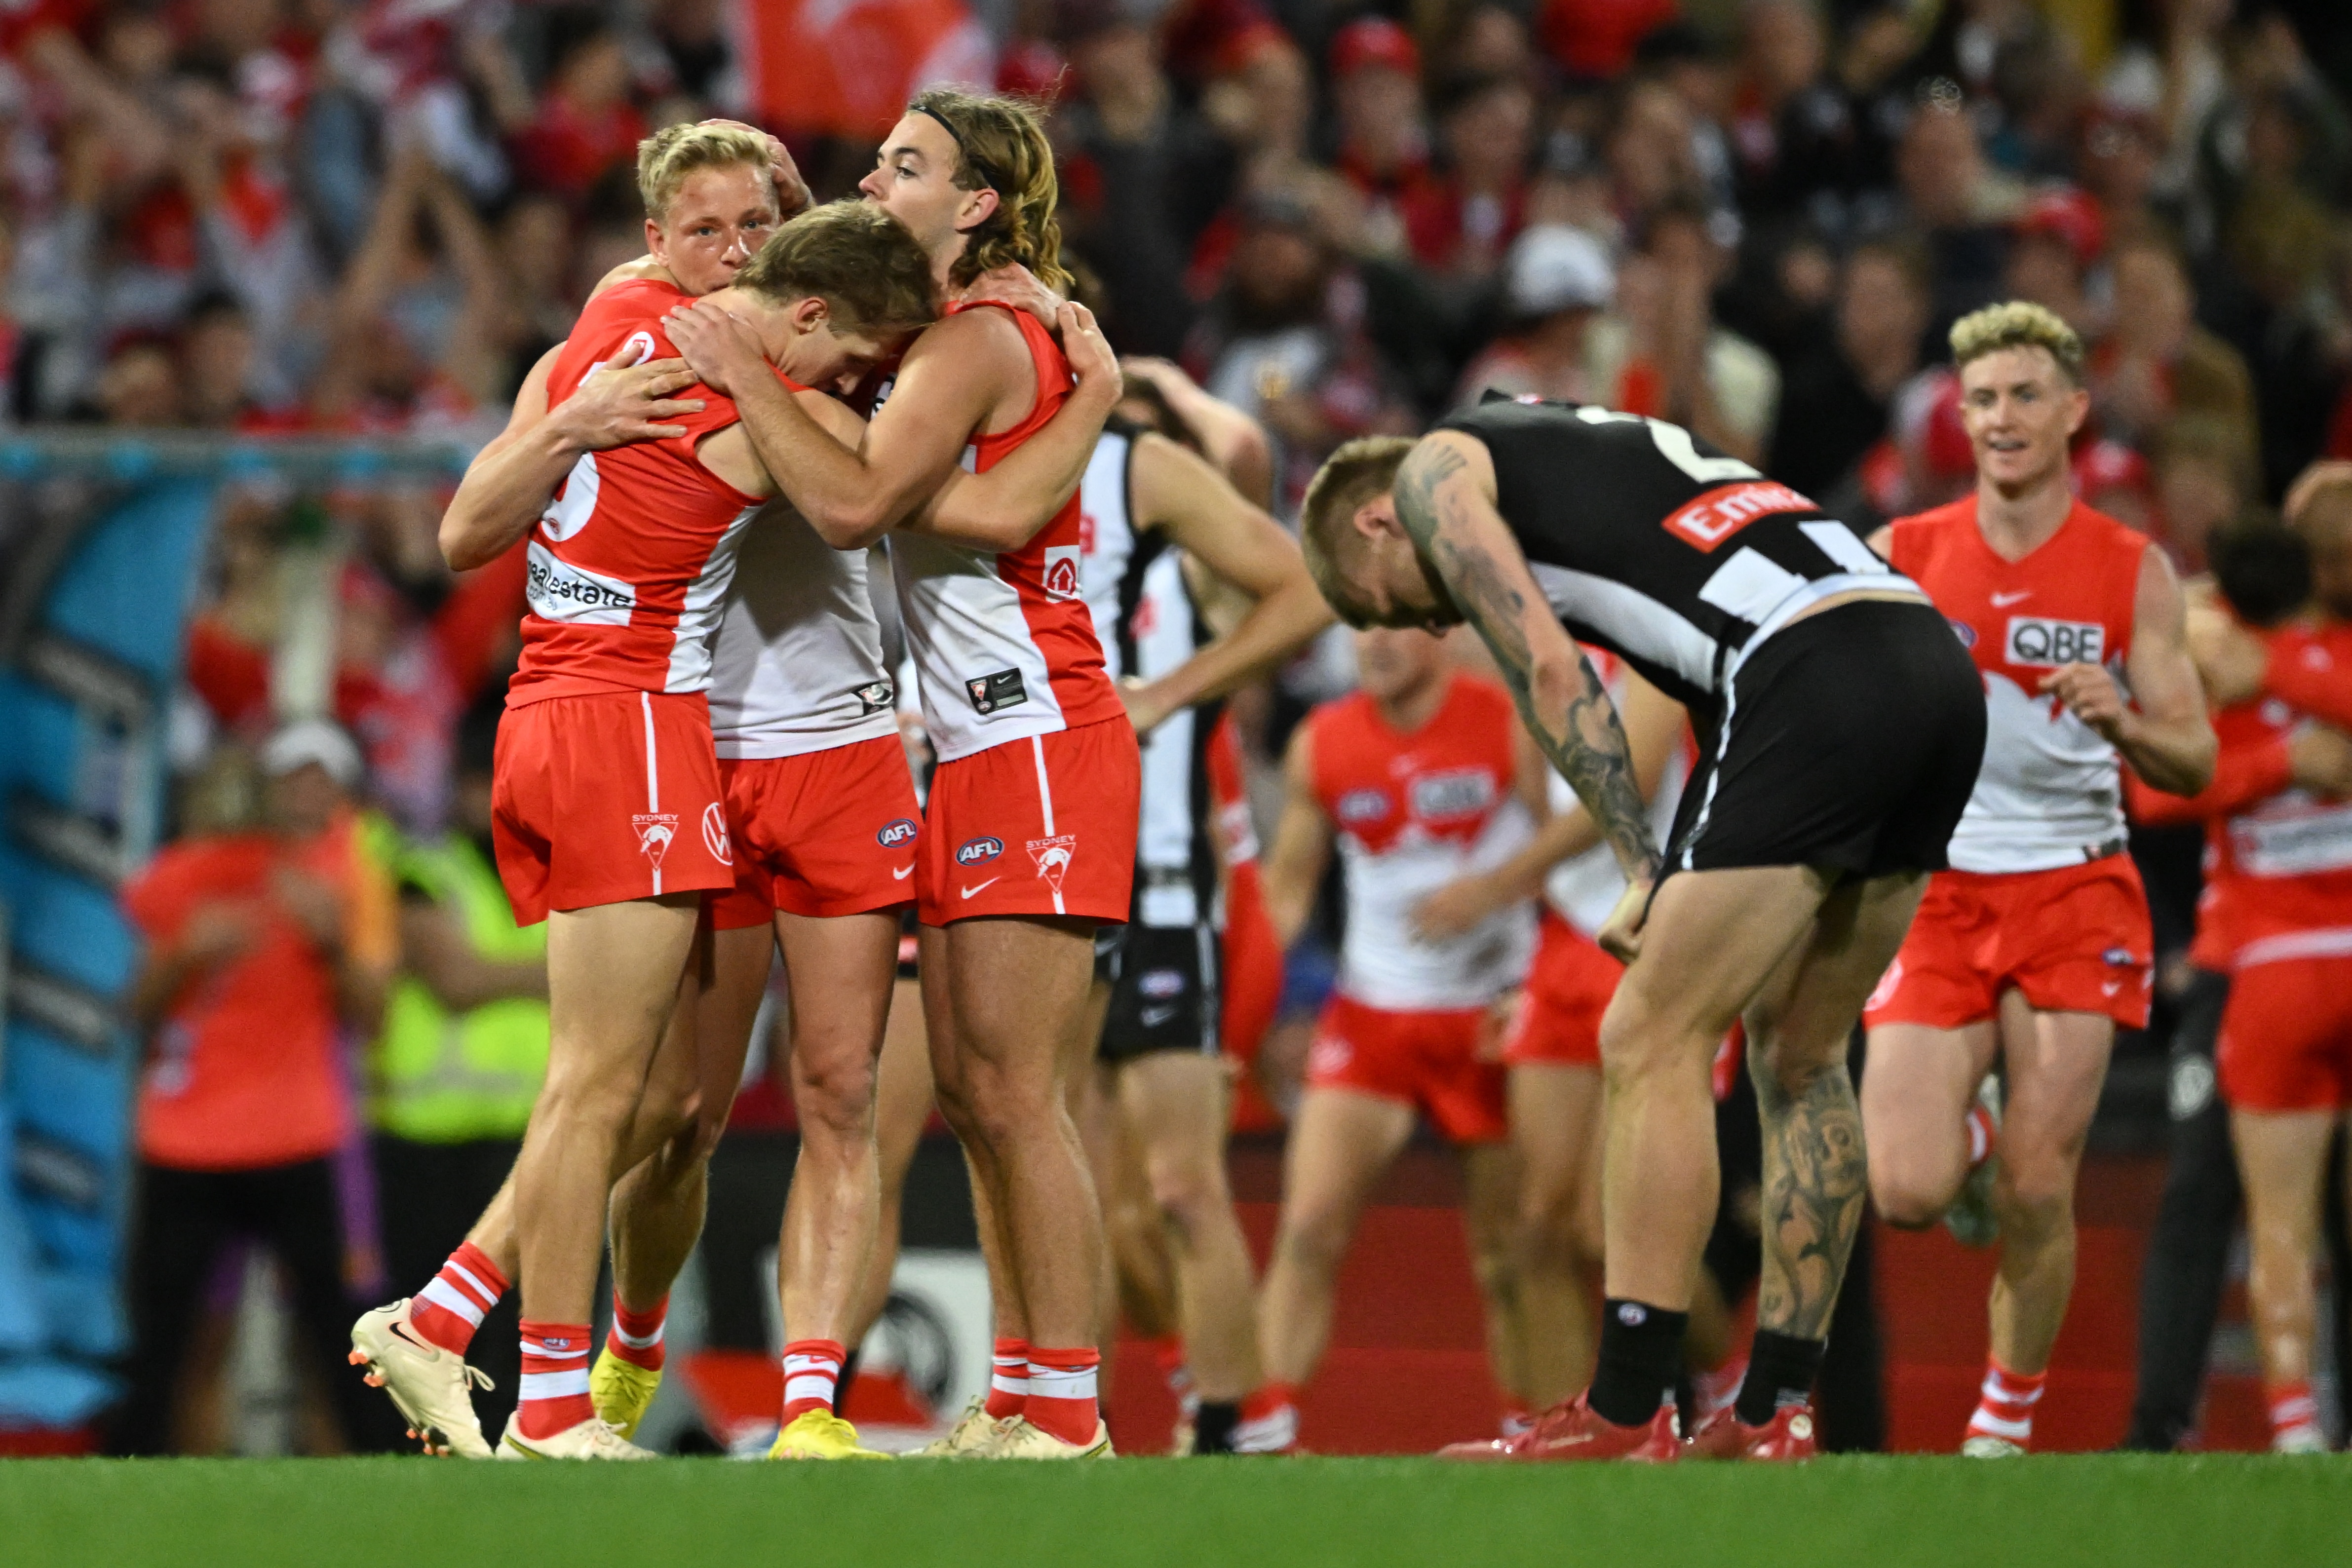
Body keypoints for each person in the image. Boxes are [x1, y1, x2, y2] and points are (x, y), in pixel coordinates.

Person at [350, 126, 1117, 1461]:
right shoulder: (745, 365)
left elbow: (849, 309)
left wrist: (1017, 307)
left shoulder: (645, 316)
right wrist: (1088, 396)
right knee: (648, 1107)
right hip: (666, 733)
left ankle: (803, 1404)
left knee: (838, 1088)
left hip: (805, 744)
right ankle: (554, 1366)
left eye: (758, 224)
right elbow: (874, 493)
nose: (732, 253)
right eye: (701, 231)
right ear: (658, 242)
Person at [1294, 393, 1986, 1462]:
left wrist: (1638, 864)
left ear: (1376, 521)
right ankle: (1774, 1413)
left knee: (1646, 1032)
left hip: (1809, 670)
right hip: (1930, 664)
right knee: (1802, 1054)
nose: (1421, 627)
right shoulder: (1569, 443)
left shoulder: (1433, 476)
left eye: (1386, 608)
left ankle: (1623, 1412)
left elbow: (1551, 672)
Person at [664, 88, 1141, 1459]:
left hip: (1032, 734)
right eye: (878, 156)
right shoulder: (967, 332)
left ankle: (1064, 1408)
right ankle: (1025, 1391)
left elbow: (859, 504)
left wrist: (752, 375)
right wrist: (1094, 397)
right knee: (987, 1092)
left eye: (908, 162)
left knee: (1013, 1094)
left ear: (978, 200)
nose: (875, 175)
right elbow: (984, 511)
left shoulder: (982, 335)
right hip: (991, 742)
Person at [1860, 302, 2214, 1457]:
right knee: (1904, 1187)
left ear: (2072, 412)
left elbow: (2197, 755)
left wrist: (2124, 717)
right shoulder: (1902, 553)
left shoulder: (2129, 567)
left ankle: (1999, 1428)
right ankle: (1967, 1140)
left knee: (2040, 1180)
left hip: (2074, 888)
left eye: (2021, 397)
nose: (1999, 419)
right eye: (1980, 401)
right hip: (1938, 889)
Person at [1073, 400, 1332, 1453]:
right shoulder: (1028, 539)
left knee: (1182, 1185)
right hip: (1067, 882)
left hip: (1171, 897)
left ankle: (1238, 1416)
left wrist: (1162, 386)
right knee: (1081, 1190)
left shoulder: (1193, 571)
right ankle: (1068, 1414)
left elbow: (1248, 463)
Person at [1251, 628, 1544, 1449]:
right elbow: (1287, 890)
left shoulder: (1506, 720)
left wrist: (1498, 900)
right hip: (1369, 1013)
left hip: (1487, 1016)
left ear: (1443, 631)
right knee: (1306, 1228)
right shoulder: (1324, 739)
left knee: (1506, 1257)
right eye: (1359, 624)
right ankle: (1262, 1437)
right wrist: (1247, 1008)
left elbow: (1576, 853)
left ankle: (1531, 1436)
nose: (1372, 641)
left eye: (1393, 623)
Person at [2132, 492, 2352, 1452]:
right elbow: (2152, 790)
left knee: (2278, 1218)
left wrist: (2262, 682)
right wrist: (2287, 757)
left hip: (2270, 971)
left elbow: (2155, 784)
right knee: (2206, 1197)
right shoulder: (2247, 648)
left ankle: (2299, 1431)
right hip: (2257, 962)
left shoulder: (2226, 651)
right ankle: (2165, 1424)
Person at [113, 723, 395, 1454]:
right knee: (169, 1334)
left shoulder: (327, 879)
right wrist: (184, 951)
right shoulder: (175, 876)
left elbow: (370, 1017)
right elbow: (131, 1008)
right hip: (190, 1139)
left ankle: (376, 1475)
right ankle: (139, 1472)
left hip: (295, 1134)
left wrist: (331, 944)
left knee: (336, 1329)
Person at [1456, 651, 1686, 1416]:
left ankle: (1711, 1378)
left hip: (1648, 935)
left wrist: (1502, 879)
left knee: (1603, 1229)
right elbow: (1535, 784)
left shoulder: (1652, 646)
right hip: (1562, 942)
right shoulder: (1541, 646)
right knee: (1536, 1225)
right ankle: (1559, 1426)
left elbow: (1634, 786)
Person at [364, 699, 550, 1440]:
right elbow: (455, 978)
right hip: (426, 1141)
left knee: (512, 1327)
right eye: (483, 783)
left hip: (520, 1138)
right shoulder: (423, 870)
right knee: (419, 1323)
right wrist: (570, 972)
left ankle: (504, 1446)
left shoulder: (546, 873)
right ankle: (411, 1455)